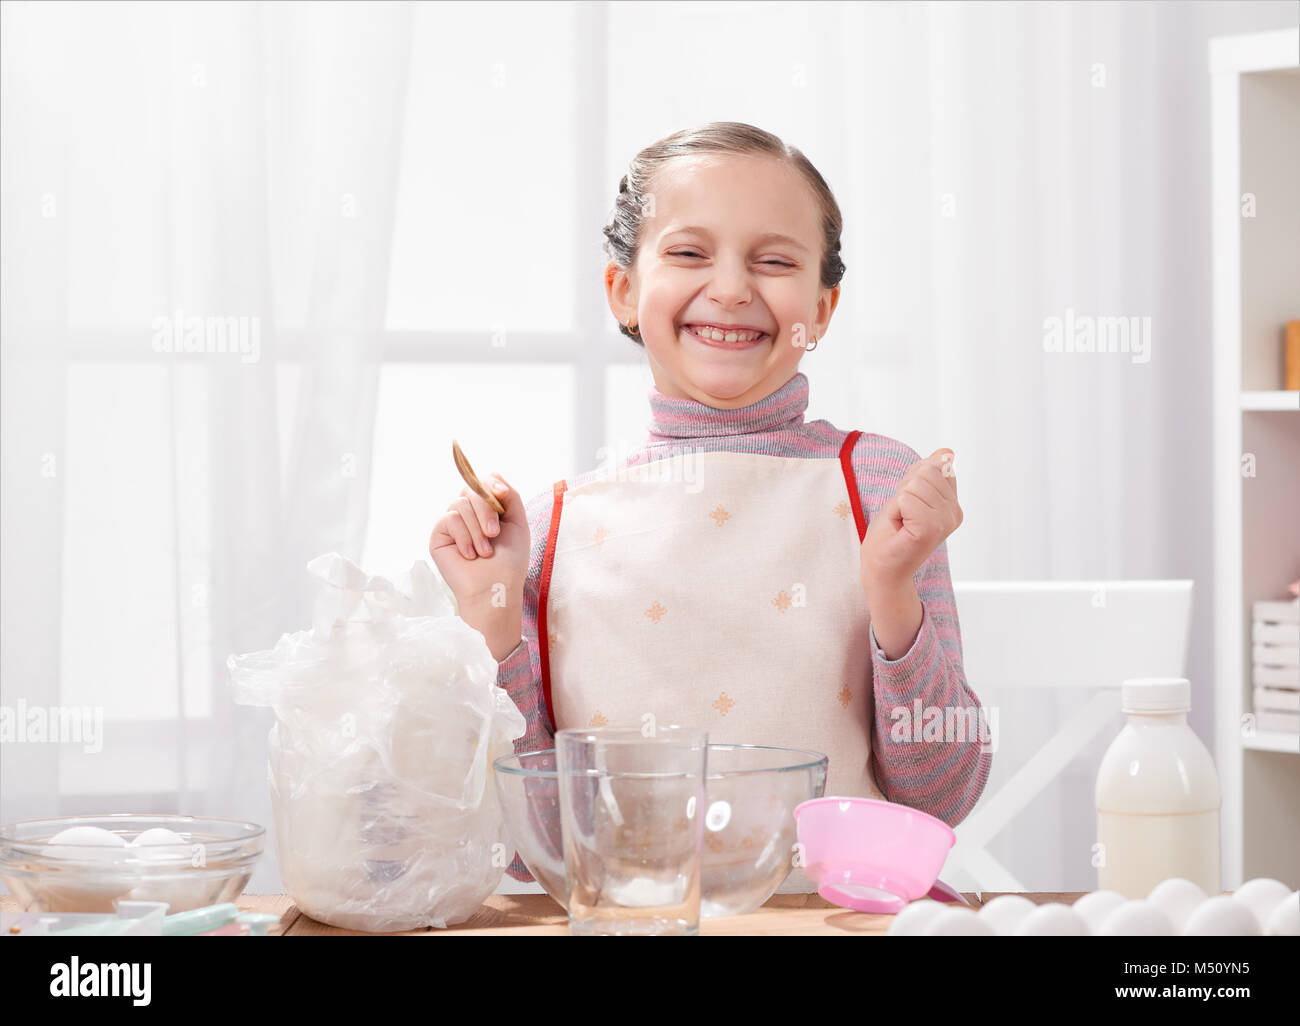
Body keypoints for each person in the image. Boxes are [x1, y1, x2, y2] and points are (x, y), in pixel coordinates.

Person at [429, 122, 992, 887]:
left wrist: (891, 591)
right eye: (690, 253)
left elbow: (943, 794)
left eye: (774, 260)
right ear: (623, 290)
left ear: (821, 309)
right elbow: (531, 853)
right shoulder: (551, 529)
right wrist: (492, 620)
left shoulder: (879, 484)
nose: (730, 288)